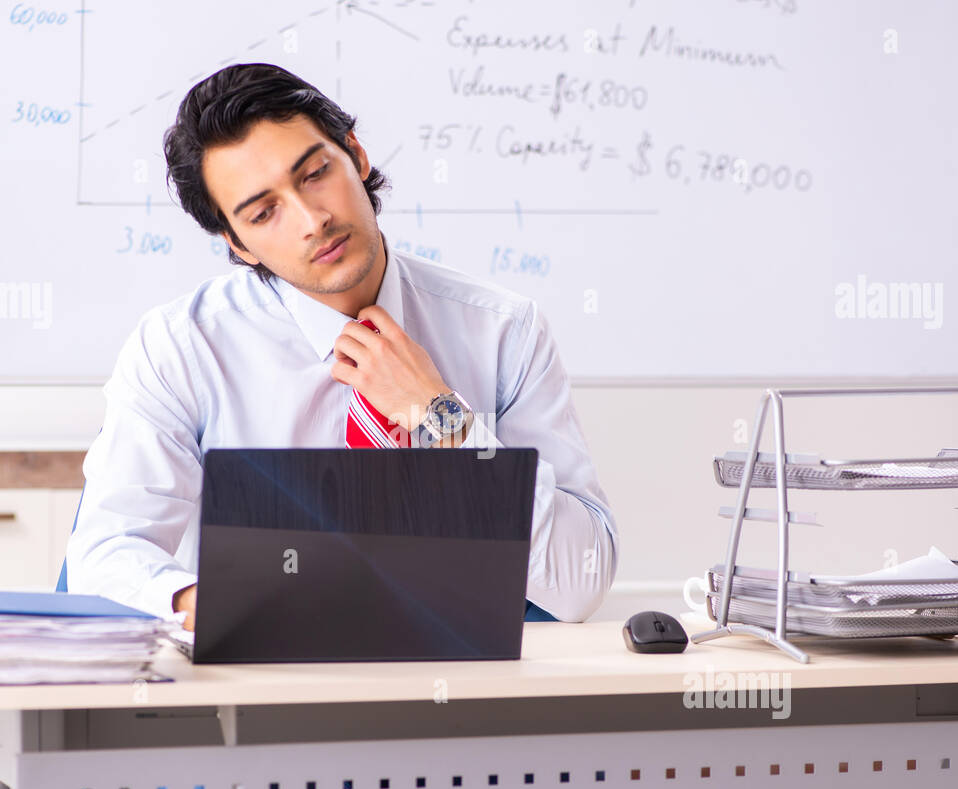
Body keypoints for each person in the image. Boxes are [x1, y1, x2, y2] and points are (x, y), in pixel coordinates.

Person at [66, 63, 618, 627]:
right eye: (264, 212)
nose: (313, 220)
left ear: (355, 155)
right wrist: (201, 604)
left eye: (314, 174)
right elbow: (103, 558)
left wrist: (440, 419)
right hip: (260, 684)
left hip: (454, 685)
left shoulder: (503, 331)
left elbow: (580, 581)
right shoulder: (183, 348)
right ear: (238, 242)